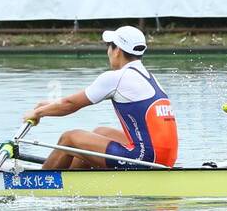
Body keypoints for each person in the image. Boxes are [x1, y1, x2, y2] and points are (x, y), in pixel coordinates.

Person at [23, 26, 178, 170]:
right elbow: (71, 101)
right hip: (166, 158)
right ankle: (75, 182)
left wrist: (37, 113)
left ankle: (39, 184)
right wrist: (47, 106)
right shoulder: (149, 78)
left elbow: (70, 104)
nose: (108, 52)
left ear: (117, 50)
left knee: (69, 139)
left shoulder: (118, 78)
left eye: (109, 46)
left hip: (146, 158)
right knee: (101, 132)